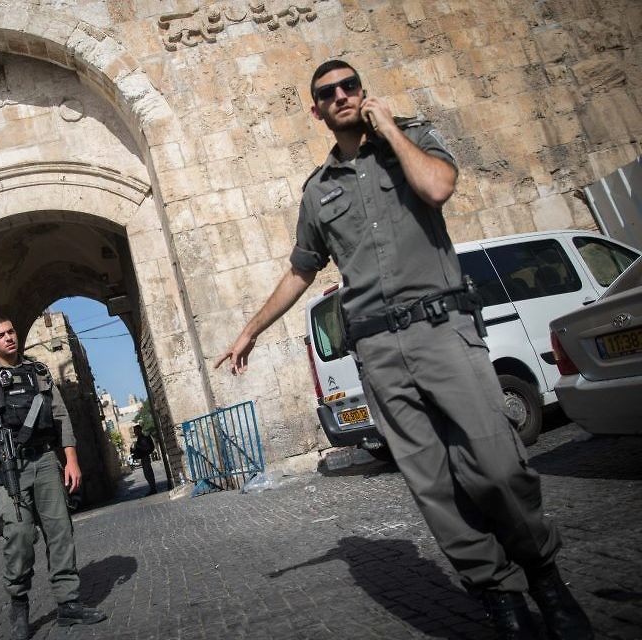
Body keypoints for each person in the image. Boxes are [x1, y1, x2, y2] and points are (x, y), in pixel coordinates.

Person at [217, 60, 592, 640]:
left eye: (349, 86)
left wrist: (389, 130)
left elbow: (438, 188)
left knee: (495, 466)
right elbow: (301, 270)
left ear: (362, 93)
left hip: (443, 330)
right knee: (434, 484)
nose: (341, 96)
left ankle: (545, 575)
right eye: (327, 93)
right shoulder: (318, 193)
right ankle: (498, 592)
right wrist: (250, 330)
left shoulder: (415, 140)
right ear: (314, 109)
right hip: (378, 351)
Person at [0, 315, 106, 640]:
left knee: (60, 531)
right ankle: (18, 602)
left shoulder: (38, 372)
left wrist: (71, 460)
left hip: (46, 460)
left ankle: (69, 605)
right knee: (19, 535)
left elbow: (60, 415)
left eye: (11, 331)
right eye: (0, 335)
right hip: (8, 467)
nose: (8, 337)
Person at [130, 424, 158, 495]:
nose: (134, 432)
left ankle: (153, 489)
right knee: (147, 474)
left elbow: (146, 448)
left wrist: (137, 446)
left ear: (139, 430)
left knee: (148, 474)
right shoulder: (140, 438)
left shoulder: (142, 438)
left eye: (135, 430)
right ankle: (152, 488)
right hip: (144, 458)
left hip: (145, 457)